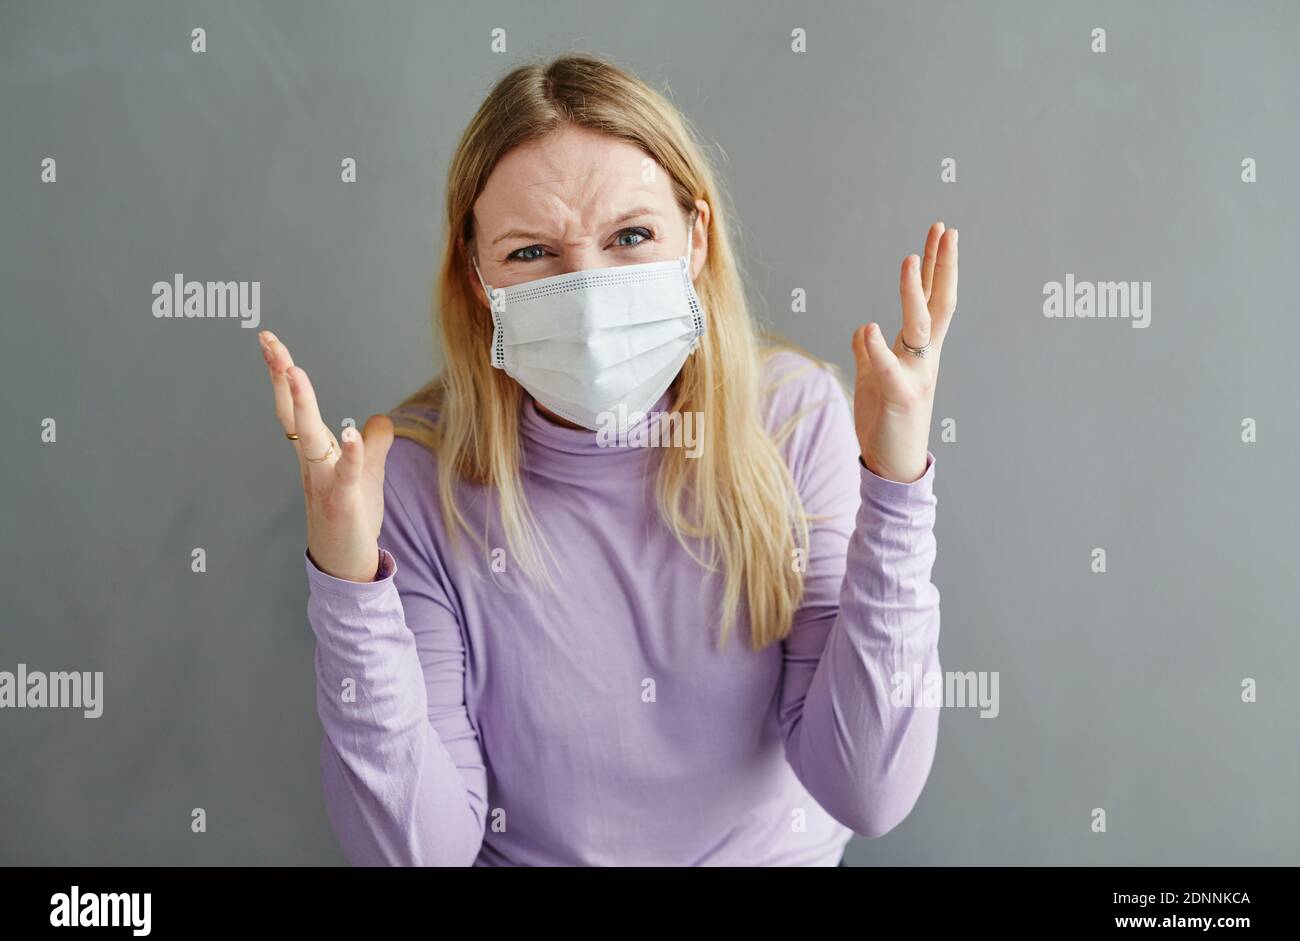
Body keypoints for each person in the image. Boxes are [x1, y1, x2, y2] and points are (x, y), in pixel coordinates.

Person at [257, 53, 958, 866]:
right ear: (478, 276)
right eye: (530, 253)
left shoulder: (795, 418)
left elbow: (867, 787)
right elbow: (415, 854)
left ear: (694, 241)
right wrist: (348, 579)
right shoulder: (413, 479)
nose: (587, 293)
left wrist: (897, 487)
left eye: (631, 236)